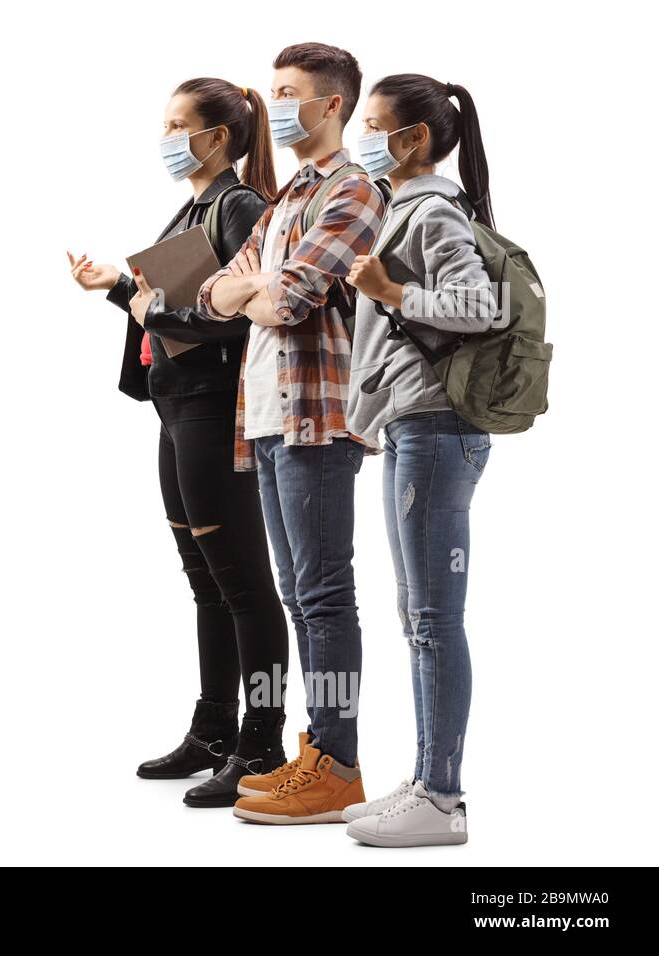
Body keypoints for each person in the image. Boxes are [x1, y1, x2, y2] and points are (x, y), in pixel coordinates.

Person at [68, 77, 292, 808]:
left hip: (216, 410)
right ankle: (214, 729)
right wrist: (116, 288)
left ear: (217, 137)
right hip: (177, 407)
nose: (165, 137)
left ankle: (262, 739)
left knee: (242, 582)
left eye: (176, 125)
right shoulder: (194, 206)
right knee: (204, 577)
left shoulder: (241, 207)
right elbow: (165, 308)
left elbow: (250, 316)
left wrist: (144, 300)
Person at [197, 42, 386, 825]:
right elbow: (214, 291)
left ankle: (337, 764)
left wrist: (253, 290)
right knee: (297, 596)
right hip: (267, 420)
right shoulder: (280, 204)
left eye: (288, 92)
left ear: (332, 105)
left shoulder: (355, 191)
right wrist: (249, 289)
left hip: (317, 418)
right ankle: (316, 751)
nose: (274, 106)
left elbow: (292, 299)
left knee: (324, 592)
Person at [340, 74, 498, 847]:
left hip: (438, 431)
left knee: (434, 619)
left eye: (374, 125)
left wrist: (390, 289)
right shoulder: (400, 207)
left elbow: (478, 308)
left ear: (416, 140)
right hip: (413, 428)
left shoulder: (432, 210)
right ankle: (427, 778)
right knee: (420, 617)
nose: (362, 137)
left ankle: (442, 799)